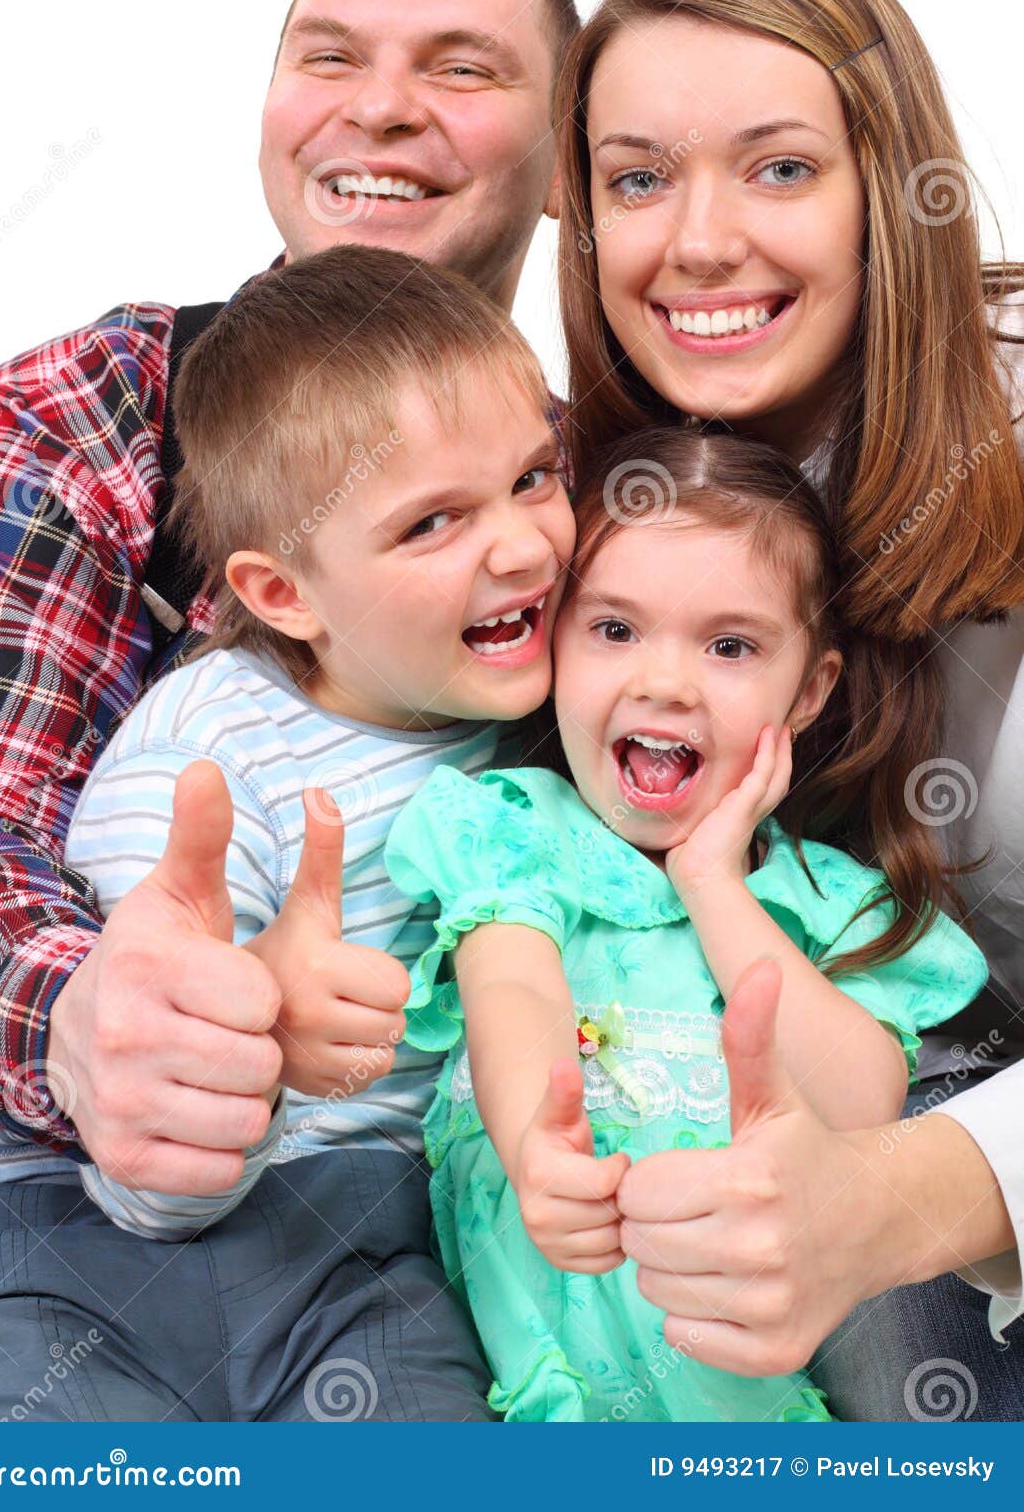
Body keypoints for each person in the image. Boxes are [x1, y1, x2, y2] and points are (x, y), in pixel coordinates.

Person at [0, 0, 577, 1420]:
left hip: (396, 1244)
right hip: (62, 1213)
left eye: (461, 68)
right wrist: (106, 1021)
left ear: (566, 157)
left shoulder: (591, 512)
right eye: (330, 54)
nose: (380, 105)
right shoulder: (77, 422)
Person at [551, 0, 1024, 1417]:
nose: (695, 241)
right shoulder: (610, 512)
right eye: (635, 178)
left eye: (776, 166)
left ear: (887, 193)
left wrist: (886, 1201)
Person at [381, 425, 988, 1421]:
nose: (663, 681)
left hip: (767, 1412)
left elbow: (860, 1107)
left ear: (808, 689)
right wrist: (540, 1144)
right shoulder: (515, 834)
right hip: (547, 1400)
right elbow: (513, 990)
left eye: (729, 645)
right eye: (613, 629)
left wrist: (715, 881)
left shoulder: (830, 905)